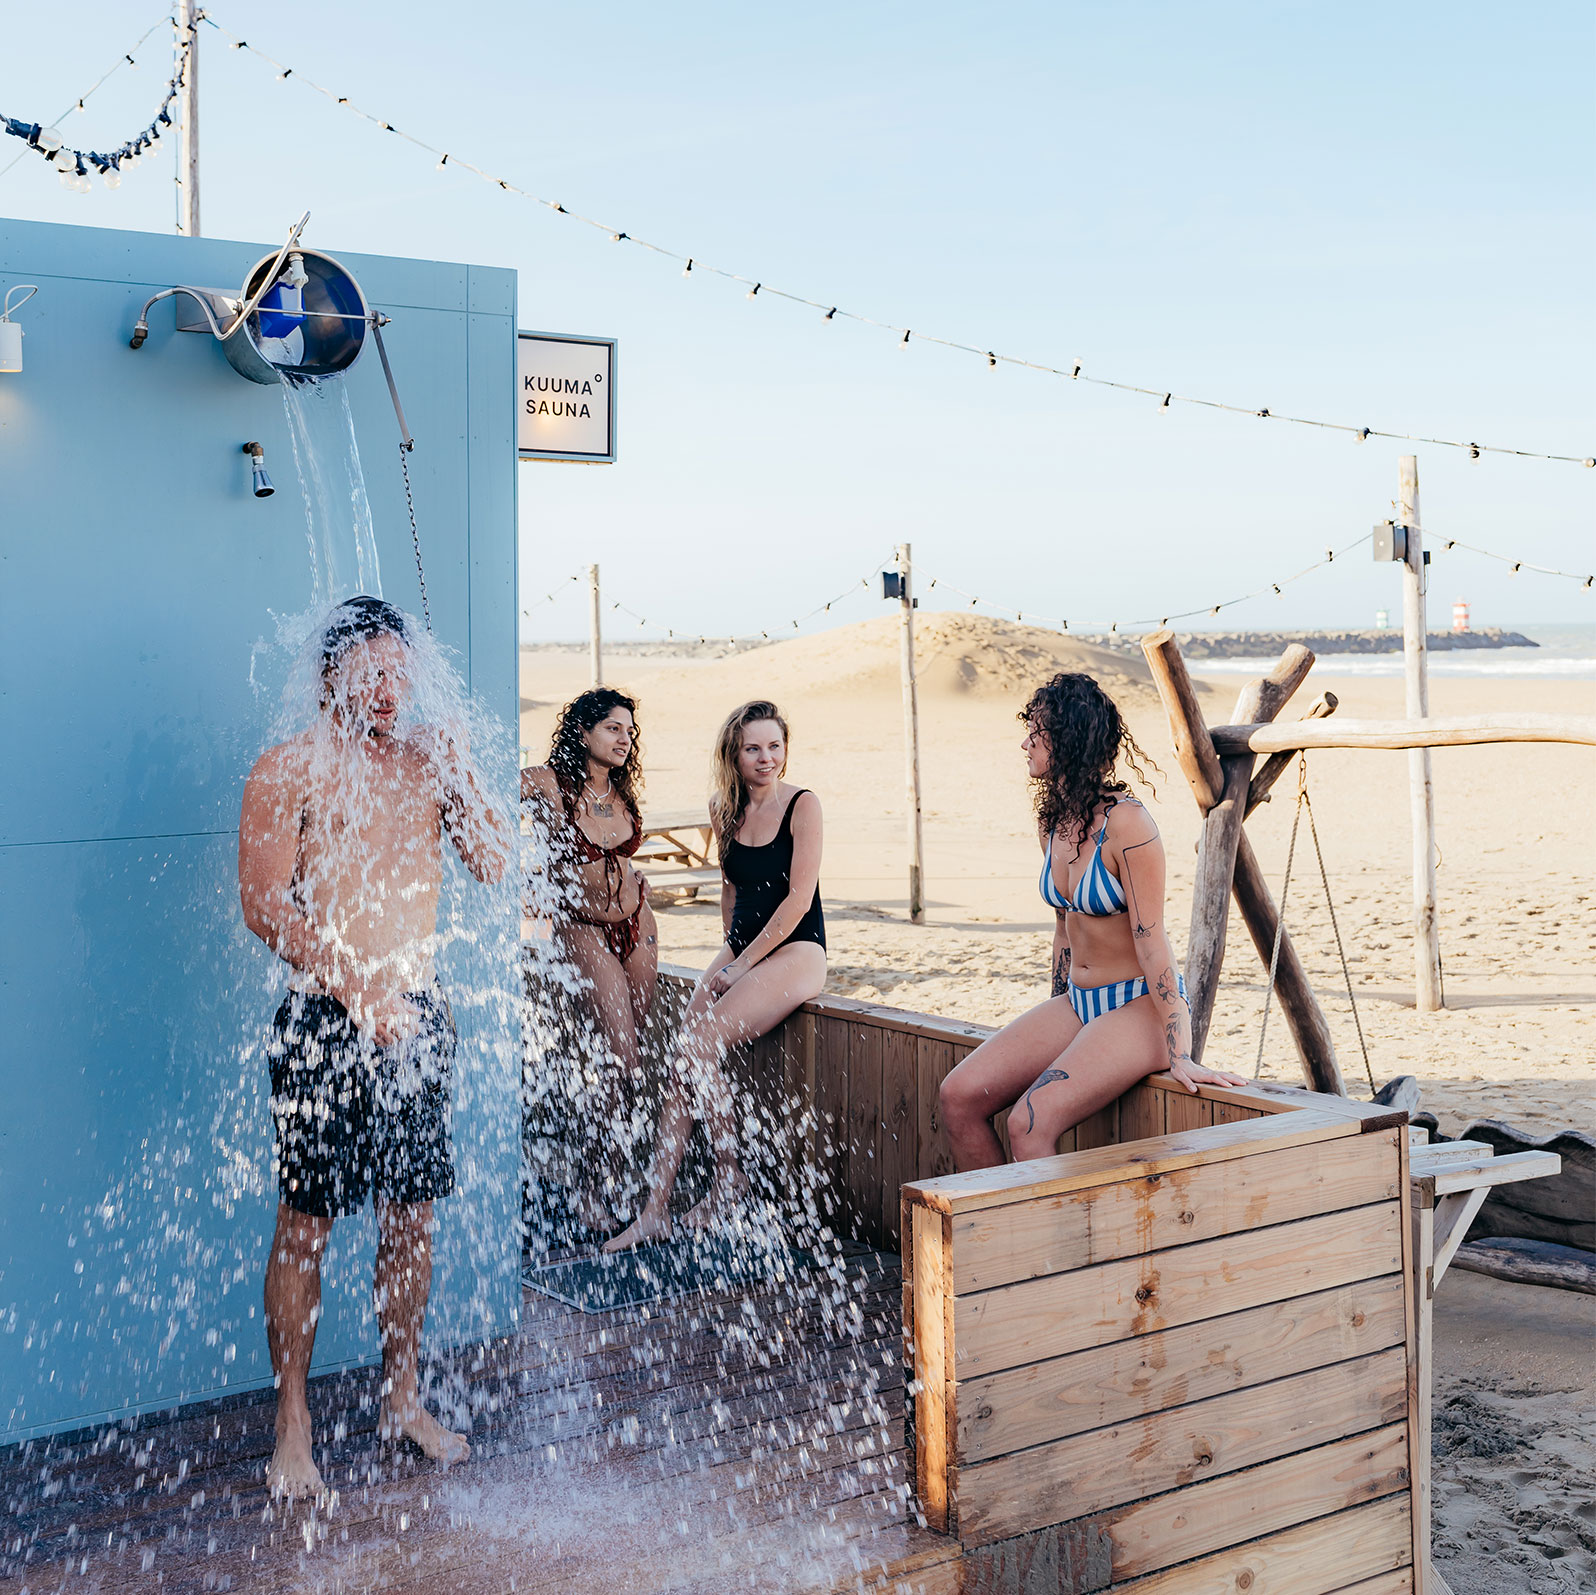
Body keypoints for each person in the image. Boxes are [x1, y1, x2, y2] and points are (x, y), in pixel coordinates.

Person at [238, 596, 512, 1498]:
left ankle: (401, 1398)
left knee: (413, 1216)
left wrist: (465, 772)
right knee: (307, 1224)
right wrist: (356, 988)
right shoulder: (288, 770)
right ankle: (294, 1422)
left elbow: (495, 862)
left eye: (402, 672)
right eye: (373, 673)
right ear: (332, 676)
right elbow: (266, 904)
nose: (391, 690)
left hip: (420, 1018)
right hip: (325, 1019)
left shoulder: (425, 761)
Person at [938, 671, 1245, 1172]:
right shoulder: (1052, 820)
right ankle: (999, 1236)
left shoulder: (1129, 826)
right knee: (958, 1096)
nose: (1025, 743)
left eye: (1036, 733)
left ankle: (1046, 1251)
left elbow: (1152, 941)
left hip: (1137, 1004)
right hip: (1078, 1002)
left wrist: (1181, 1049)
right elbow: (1064, 928)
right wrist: (1055, 1007)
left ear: (1067, 742)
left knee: (1028, 1122)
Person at [603, 700, 826, 1252]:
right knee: (685, 1055)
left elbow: (798, 900)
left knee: (698, 1041)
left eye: (774, 746)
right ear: (735, 752)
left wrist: (742, 964)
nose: (766, 757)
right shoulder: (723, 808)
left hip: (797, 951)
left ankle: (729, 1179)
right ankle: (656, 1209)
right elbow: (732, 893)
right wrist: (729, 952)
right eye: (754, 747)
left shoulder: (803, 804)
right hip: (741, 950)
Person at [520, 689, 658, 1229]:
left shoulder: (621, 792)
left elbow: (617, 862)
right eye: (612, 729)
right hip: (582, 931)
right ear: (582, 732)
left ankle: (612, 1176)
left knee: (629, 1062)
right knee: (618, 1057)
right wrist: (530, 879)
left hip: (639, 926)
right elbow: (486, 798)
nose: (624, 739)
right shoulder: (547, 785)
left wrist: (634, 883)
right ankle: (589, 1184)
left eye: (629, 731)